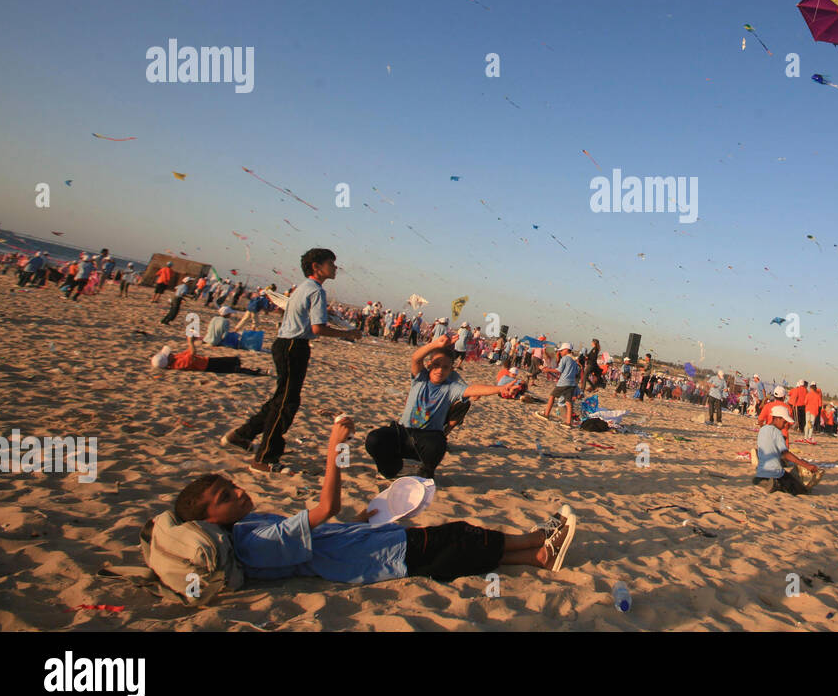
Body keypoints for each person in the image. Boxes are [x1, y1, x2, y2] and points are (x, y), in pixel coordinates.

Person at [176, 416, 577, 587]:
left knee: (452, 557)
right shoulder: (249, 541)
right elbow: (322, 511)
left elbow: (318, 531)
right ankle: (538, 536)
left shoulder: (248, 528)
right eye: (226, 498)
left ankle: (535, 557)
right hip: (372, 557)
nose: (240, 493)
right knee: (461, 536)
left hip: (364, 547)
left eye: (233, 486)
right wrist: (335, 449)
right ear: (210, 521)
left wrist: (358, 517)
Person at [222, 248, 360, 473]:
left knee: (281, 397)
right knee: (286, 403)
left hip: (285, 344)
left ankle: (241, 435)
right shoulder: (315, 291)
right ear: (316, 267)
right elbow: (317, 328)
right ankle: (265, 458)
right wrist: (348, 334)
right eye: (331, 263)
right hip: (294, 346)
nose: (335, 268)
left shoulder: (302, 288)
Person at [365, 335, 525, 480]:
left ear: (451, 370)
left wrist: (499, 389)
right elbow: (415, 358)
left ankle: (424, 474)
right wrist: (435, 344)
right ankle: (392, 469)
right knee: (374, 439)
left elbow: (473, 389)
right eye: (436, 365)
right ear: (429, 365)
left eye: (445, 367)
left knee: (438, 444)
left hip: (426, 440)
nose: (440, 370)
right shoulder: (420, 379)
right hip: (403, 432)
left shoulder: (451, 387)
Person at [753, 405, 823, 495]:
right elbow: (786, 454)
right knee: (803, 491)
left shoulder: (763, 429)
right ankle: (776, 485)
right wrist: (806, 465)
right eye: (784, 421)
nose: (785, 424)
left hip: (762, 469)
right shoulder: (777, 432)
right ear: (777, 419)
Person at [153, 334, 266, 375]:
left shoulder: (175, 359)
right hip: (206, 366)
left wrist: (192, 342)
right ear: (167, 361)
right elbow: (192, 354)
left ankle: (249, 369)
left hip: (206, 361)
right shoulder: (177, 364)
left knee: (233, 361)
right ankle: (255, 372)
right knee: (232, 368)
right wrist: (190, 342)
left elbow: (188, 352)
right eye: (168, 355)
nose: (171, 354)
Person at [542, 342, 581, 426]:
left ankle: (546, 414)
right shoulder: (574, 360)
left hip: (563, 383)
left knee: (552, 396)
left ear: (566, 350)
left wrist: (548, 370)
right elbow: (576, 372)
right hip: (571, 383)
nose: (560, 352)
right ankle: (568, 422)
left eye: (562, 350)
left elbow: (559, 370)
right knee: (568, 402)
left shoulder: (565, 358)